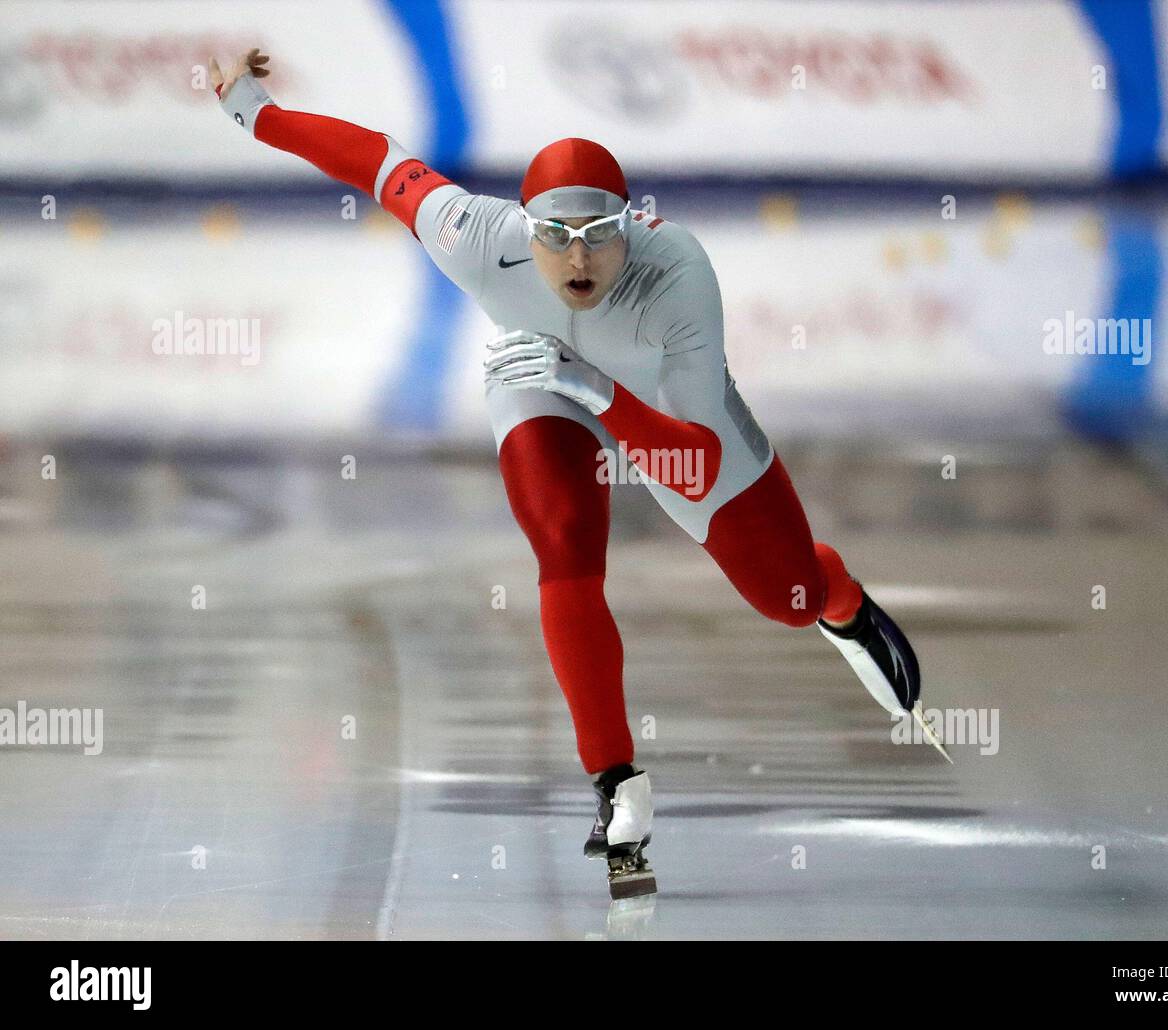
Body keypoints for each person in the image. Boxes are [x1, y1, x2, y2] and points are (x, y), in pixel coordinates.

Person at [209, 48, 934, 898]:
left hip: (667, 416)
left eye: (598, 238)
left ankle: (836, 594)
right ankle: (617, 782)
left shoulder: (679, 276)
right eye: (555, 236)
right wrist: (249, 108)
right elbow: (370, 157)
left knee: (788, 600)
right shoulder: (473, 233)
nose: (577, 258)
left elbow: (695, 464)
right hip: (538, 380)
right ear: (525, 229)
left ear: (629, 232)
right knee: (562, 538)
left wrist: (604, 391)